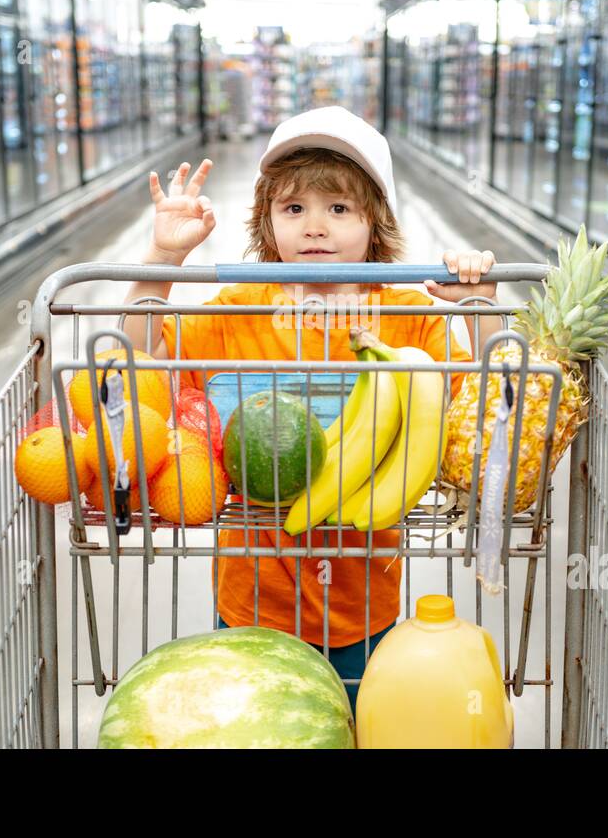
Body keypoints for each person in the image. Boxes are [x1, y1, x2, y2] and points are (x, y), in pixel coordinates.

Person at [121, 105, 499, 711]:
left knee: (351, 722)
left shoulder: (411, 317)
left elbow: (481, 413)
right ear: (268, 225)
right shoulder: (234, 311)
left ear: (376, 224)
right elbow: (135, 361)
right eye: (293, 209)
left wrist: (480, 307)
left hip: (365, 602)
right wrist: (163, 261)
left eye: (339, 208)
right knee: (254, 724)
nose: (314, 227)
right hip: (251, 596)